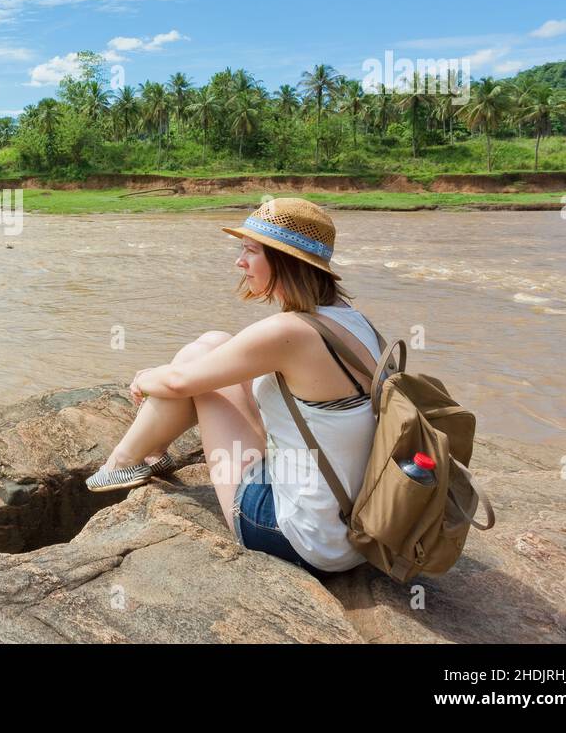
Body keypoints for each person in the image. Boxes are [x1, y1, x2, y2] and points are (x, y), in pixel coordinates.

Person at [84, 197, 383, 576]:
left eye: (250, 250)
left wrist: (145, 378)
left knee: (195, 366)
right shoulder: (355, 322)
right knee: (213, 342)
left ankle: (123, 461)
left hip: (296, 536)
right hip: (350, 532)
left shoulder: (289, 332)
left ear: (285, 259)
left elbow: (180, 382)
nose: (239, 262)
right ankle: (151, 452)